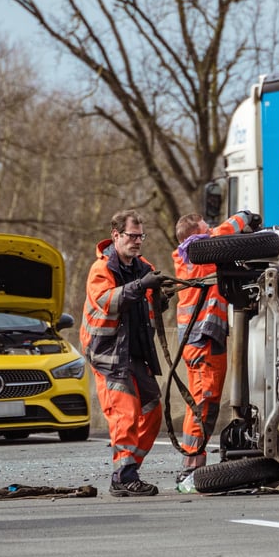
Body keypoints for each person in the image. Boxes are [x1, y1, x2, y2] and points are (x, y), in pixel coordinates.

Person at [79, 209, 169, 497]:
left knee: (153, 411)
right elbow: (109, 301)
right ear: (116, 235)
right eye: (132, 235)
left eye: (141, 235)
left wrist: (162, 296)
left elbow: (147, 307)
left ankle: (128, 469)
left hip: (134, 352)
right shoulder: (101, 270)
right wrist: (142, 286)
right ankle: (124, 475)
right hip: (108, 355)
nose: (138, 241)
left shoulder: (144, 267)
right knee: (126, 413)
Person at [171, 210, 260, 489]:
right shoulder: (196, 254)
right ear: (194, 237)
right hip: (202, 339)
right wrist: (245, 216)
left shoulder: (197, 258)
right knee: (203, 402)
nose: (211, 232)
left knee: (206, 401)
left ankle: (193, 461)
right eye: (205, 230)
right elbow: (221, 234)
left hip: (206, 339)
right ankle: (190, 465)